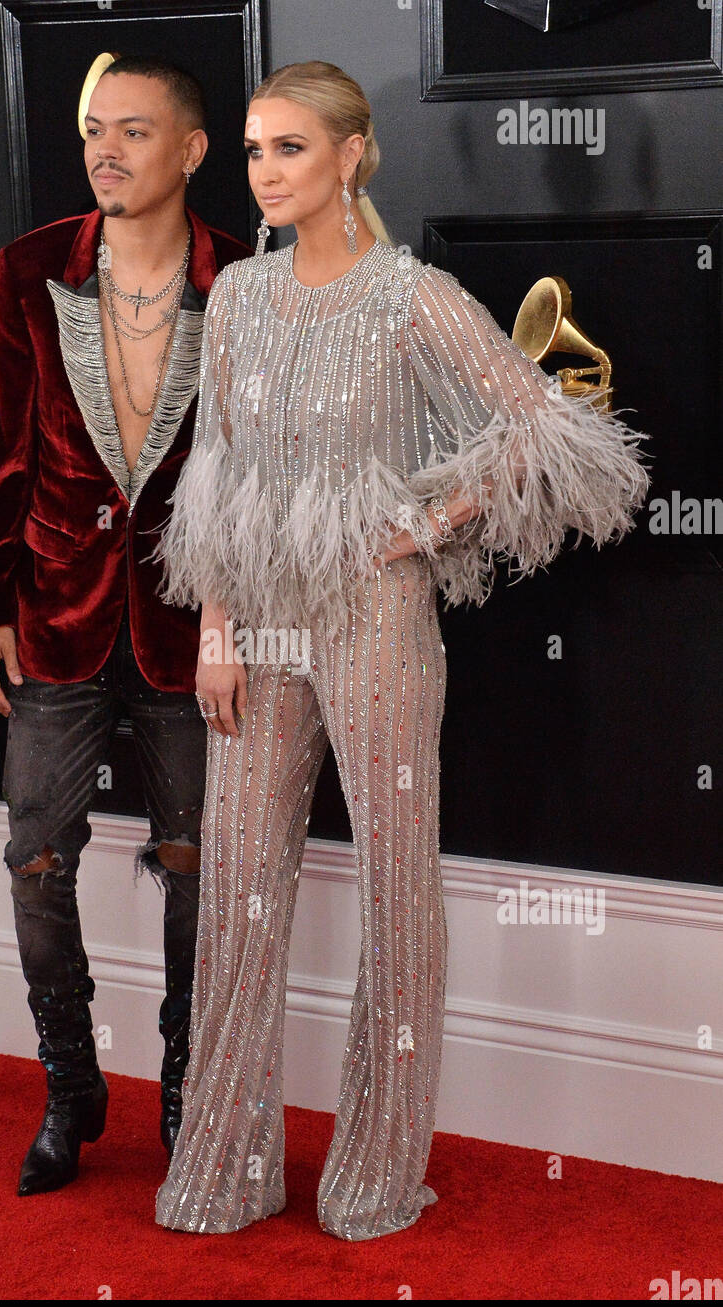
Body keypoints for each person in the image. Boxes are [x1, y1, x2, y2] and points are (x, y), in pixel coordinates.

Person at [151, 60, 650, 1240]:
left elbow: (546, 425)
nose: (264, 174)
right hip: (260, 617)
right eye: (255, 151)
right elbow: (214, 472)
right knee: (236, 886)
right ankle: (224, 1168)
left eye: (289, 150)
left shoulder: (411, 297)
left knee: (395, 885)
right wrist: (215, 630)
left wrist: (422, 524)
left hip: (378, 618)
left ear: (351, 156)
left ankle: (375, 1172)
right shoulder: (234, 298)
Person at [0, 53, 252, 1196]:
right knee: (34, 859)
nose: (107, 151)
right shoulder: (31, 268)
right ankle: (71, 1082)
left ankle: (185, 1091)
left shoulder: (244, 282)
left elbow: (255, 470)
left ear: (190, 150)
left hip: (189, 626)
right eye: (95, 132)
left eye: (136, 130)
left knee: (197, 871)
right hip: (54, 610)